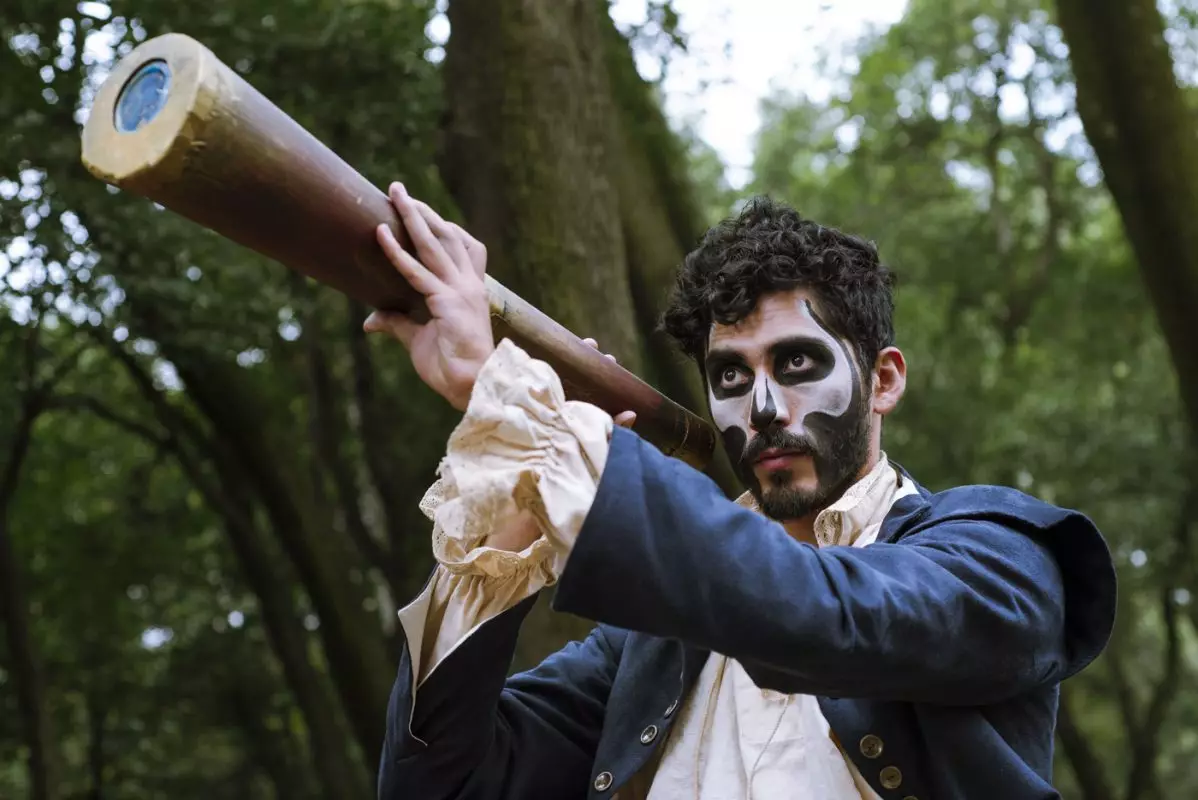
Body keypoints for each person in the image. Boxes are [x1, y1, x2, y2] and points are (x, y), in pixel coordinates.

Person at [367, 182, 1116, 800]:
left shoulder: (1003, 560)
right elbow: (441, 785)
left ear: (883, 380)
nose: (760, 409)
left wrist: (534, 417)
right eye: (730, 376)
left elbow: (818, 611)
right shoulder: (650, 644)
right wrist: (518, 497)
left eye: (795, 362)